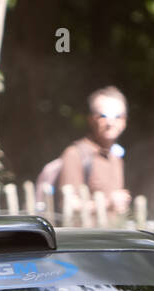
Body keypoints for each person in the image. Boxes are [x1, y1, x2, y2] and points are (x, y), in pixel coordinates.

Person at [56, 86, 131, 216]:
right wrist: (108, 203)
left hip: (110, 235)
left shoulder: (116, 157)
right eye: (103, 116)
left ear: (124, 121)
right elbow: (67, 204)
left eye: (117, 117)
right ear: (91, 119)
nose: (110, 123)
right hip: (84, 236)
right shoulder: (75, 154)